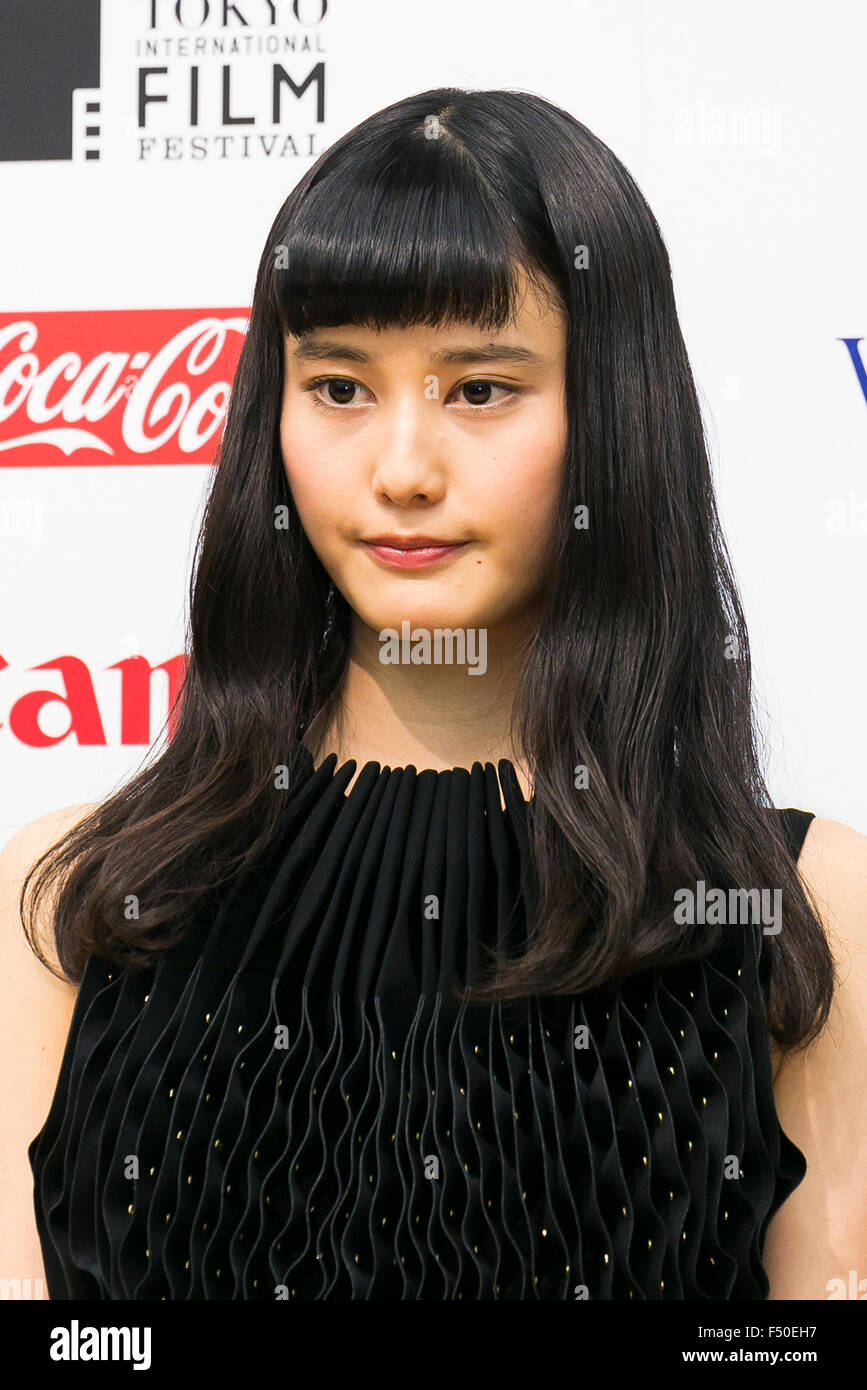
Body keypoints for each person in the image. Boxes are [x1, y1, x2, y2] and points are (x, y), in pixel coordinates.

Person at [2, 87, 865, 1301]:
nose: (400, 469)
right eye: (341, 388)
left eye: (480, 389)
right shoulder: (83, 899)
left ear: (615, 418)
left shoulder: (793, 905)